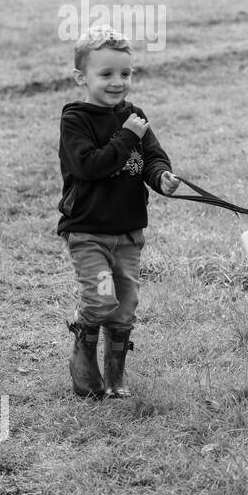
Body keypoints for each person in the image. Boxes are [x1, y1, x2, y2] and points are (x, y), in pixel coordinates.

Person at [58, 27, 179, 399]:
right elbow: (88, 166)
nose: (117, 82)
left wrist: (160, 177)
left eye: (125, 74)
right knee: (100, 299)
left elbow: (152, 156)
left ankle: (114, 378)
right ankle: (83, 343)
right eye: (106, 74)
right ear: (82, 77)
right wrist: (127, 136)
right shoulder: (76, 119)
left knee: (124, 307)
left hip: (128, 231)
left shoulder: (135, 116)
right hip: (89, 230)